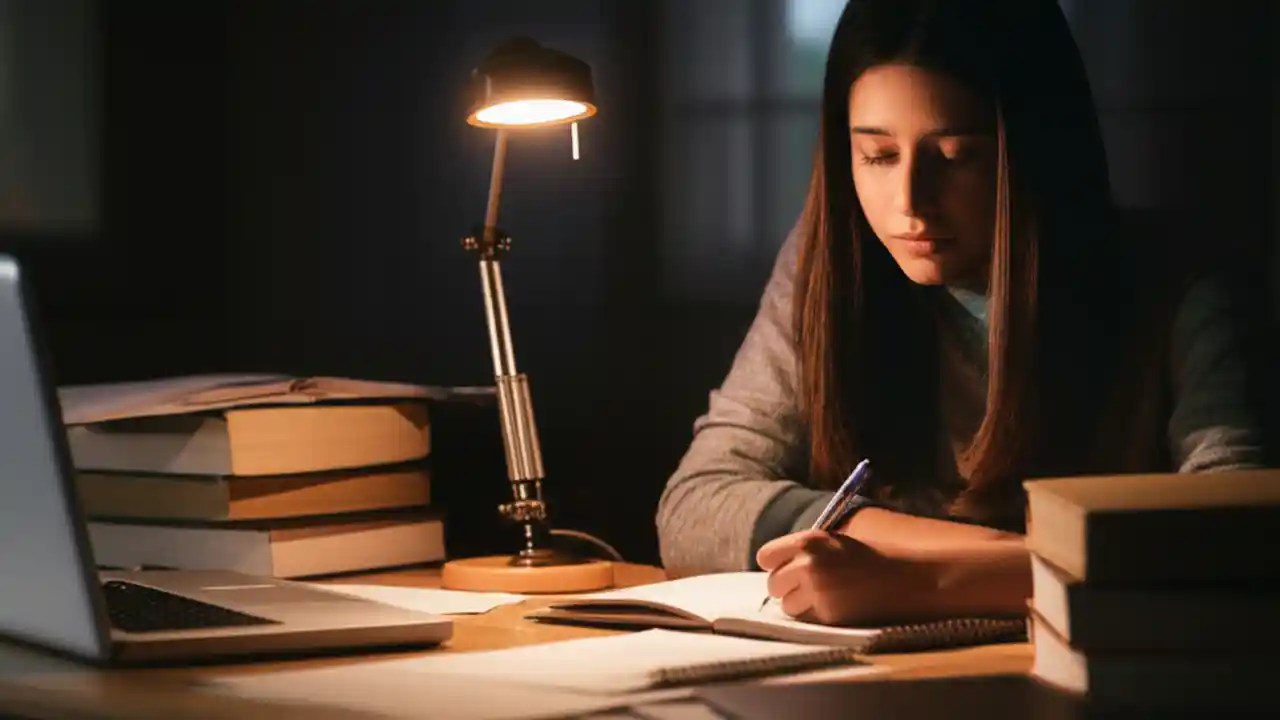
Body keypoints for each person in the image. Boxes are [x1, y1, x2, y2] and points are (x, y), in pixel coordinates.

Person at [655, 0, 1268, 626]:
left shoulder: (1173, 283)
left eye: (953, 156)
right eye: (878, 155)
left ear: (1038, 148)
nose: (911, 205)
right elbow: (697, 504)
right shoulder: (833, 266)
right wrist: (1011, 558)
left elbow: (1237, 536)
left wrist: (927, 583)